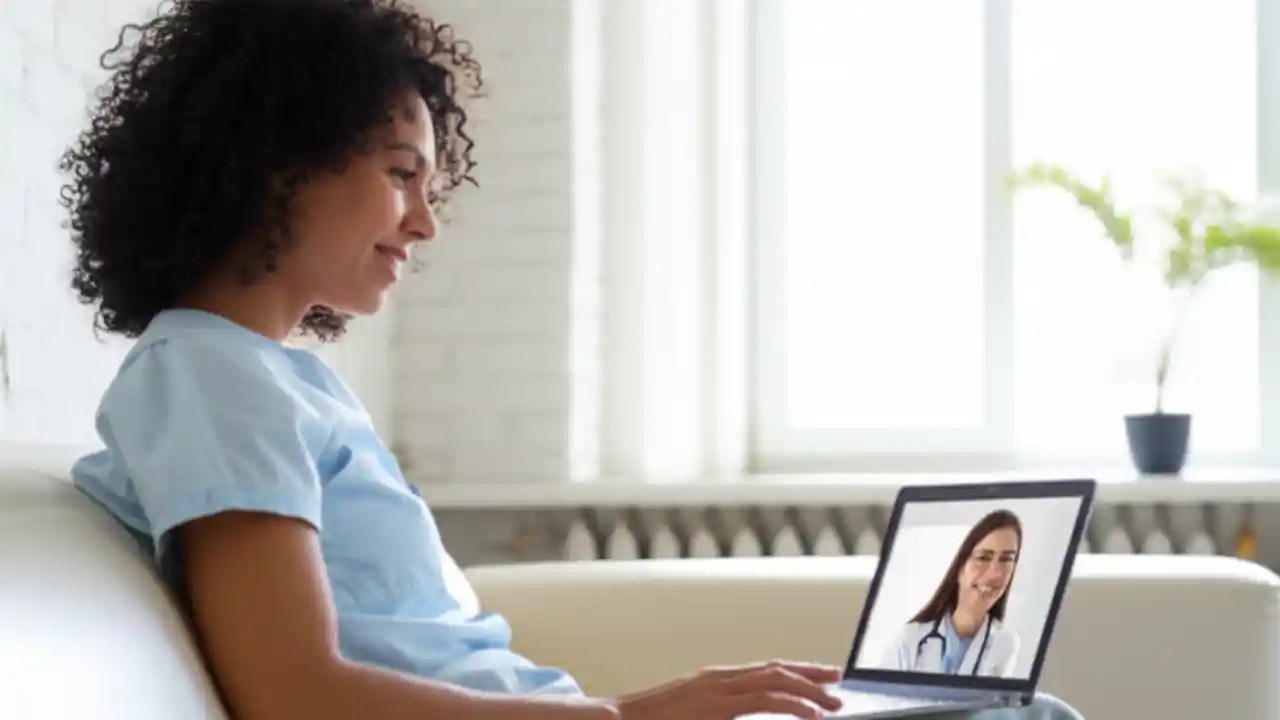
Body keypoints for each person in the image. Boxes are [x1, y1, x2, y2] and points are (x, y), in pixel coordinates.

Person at [58, 1, 1083, 718]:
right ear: (275, 161)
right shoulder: (205, 375)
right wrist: (628, 718)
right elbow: (296, 695)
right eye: (400, 173)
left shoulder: (277, 378)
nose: (422, 222)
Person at [883, 511, 1022, 677]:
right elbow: (881, 700)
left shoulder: (1005, 644)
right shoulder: (910, 639)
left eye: (1006, 560)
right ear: (959, 567)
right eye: (983, 558)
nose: (995, 574)